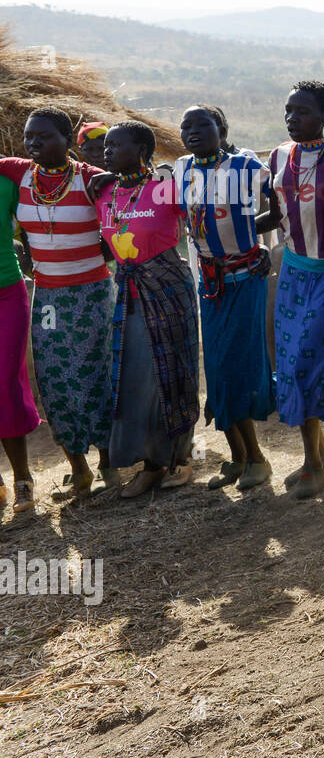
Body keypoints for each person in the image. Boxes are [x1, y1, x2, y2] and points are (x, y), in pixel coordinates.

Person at [2, 108, 116, 499]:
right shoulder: (22, 175)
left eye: (44, 136)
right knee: (54, 380)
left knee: (97, 373)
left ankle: (109, 464)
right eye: (30, 136)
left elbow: (123, 218)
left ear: (68, 142)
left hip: (93, 293)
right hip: (48, 296)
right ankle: (79, 469)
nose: (34, 143)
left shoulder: (90, 179)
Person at [174, 104, 278, 491]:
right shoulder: (180, 169)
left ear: (223, 129)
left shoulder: (245, 166)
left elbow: (281, 202)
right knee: (216, 366)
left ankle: (257, 459)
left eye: (204, 125)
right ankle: (236, 457)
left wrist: (253, 243)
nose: (194, 131)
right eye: (187, 126)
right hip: (209, 282)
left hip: (245, 277)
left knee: (236, 364)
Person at [95, 122, 200, 498]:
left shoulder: (165, 188)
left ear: (140, 149)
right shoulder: (104, 191)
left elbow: (201, 215)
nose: (107, 152)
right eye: (105, 146)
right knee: (137, 378)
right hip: (129, 296)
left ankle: (179, 459)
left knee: (172, 373)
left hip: (169, 291)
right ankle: (151, 463)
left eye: (115, 145)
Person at [267, 81, 324, 500]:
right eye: (288, 110)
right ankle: (320, 459)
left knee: (306, 360)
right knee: (289, 362)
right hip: (292, 269)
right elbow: (277, 212)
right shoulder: (279, 156)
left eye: (301, 111)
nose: (292, 118)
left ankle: (314, 465)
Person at [0, 172, 39, 514]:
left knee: (6, 382)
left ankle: (22, 479)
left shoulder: (6, 181)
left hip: (6, 292)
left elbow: (32, 223)